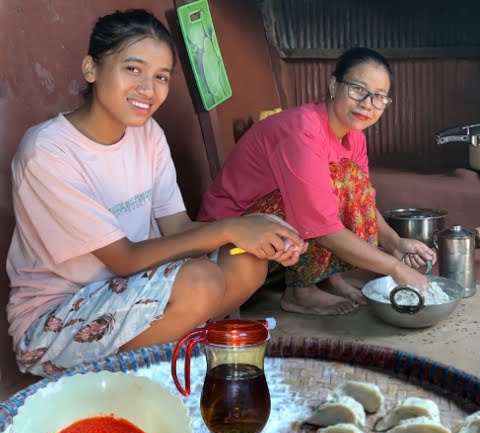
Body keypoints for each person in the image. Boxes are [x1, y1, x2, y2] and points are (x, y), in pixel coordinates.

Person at [6, 9, 301, 378]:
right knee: (201, 281)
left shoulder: (147, 134)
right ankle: (132, 373)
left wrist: (258, 236)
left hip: (133, 290)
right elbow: (124, 259)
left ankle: (171, 346)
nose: (148, 89)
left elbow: (177, 226)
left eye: (161, 77)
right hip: (56, 322)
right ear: (91, 69)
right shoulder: (47, 151)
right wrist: (232, 228)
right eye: (133, 69)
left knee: (246, 260)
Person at [199, 47, 435, 316]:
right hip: (230, 238)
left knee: (350, 181)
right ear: (335, 86)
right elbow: (321, 226)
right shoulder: (303, 131)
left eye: (379, 97)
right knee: (334, 181)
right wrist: (396, 268)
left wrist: (395, 243)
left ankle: (328, 278)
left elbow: (363, 201)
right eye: (358, 89)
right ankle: (301, 291)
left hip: (277, 236)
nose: (368, 103)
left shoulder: (354, 135)